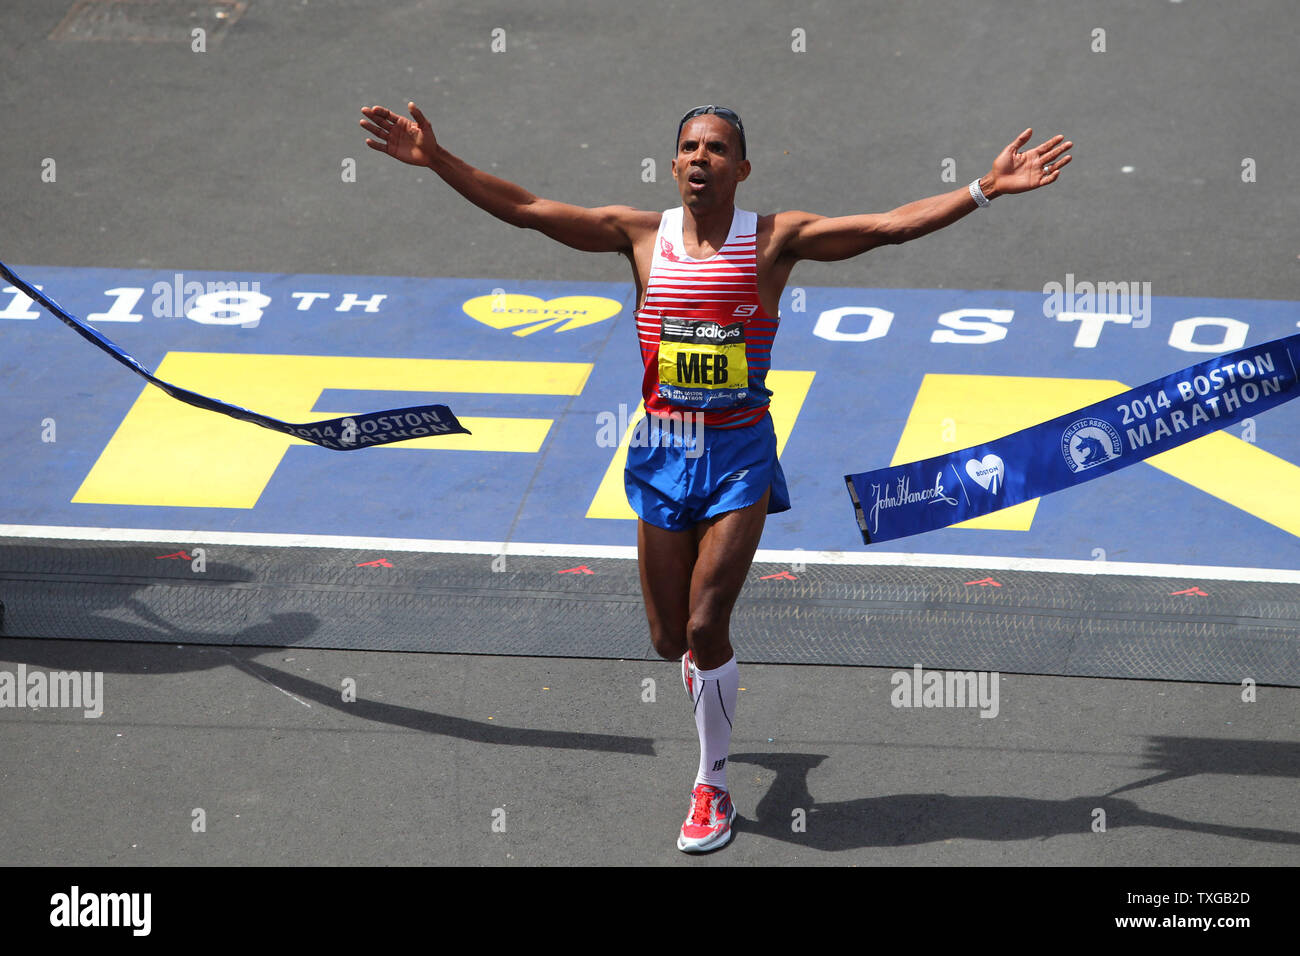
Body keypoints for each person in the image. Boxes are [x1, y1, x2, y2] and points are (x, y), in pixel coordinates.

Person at [360, 101, 1072, 853]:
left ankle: (713, 784)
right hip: (662, 455)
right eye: (690, 147)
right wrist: (438, 159)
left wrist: (983, 189)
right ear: (674, 165)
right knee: (671, 642)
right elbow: (531, 210)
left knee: (706, 626)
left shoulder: (774, 240)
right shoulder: (639, 237)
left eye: (718, 148)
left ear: (742, 168)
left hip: (739, 458)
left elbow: (889, 225)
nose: (702, 157)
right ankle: (728, 715)